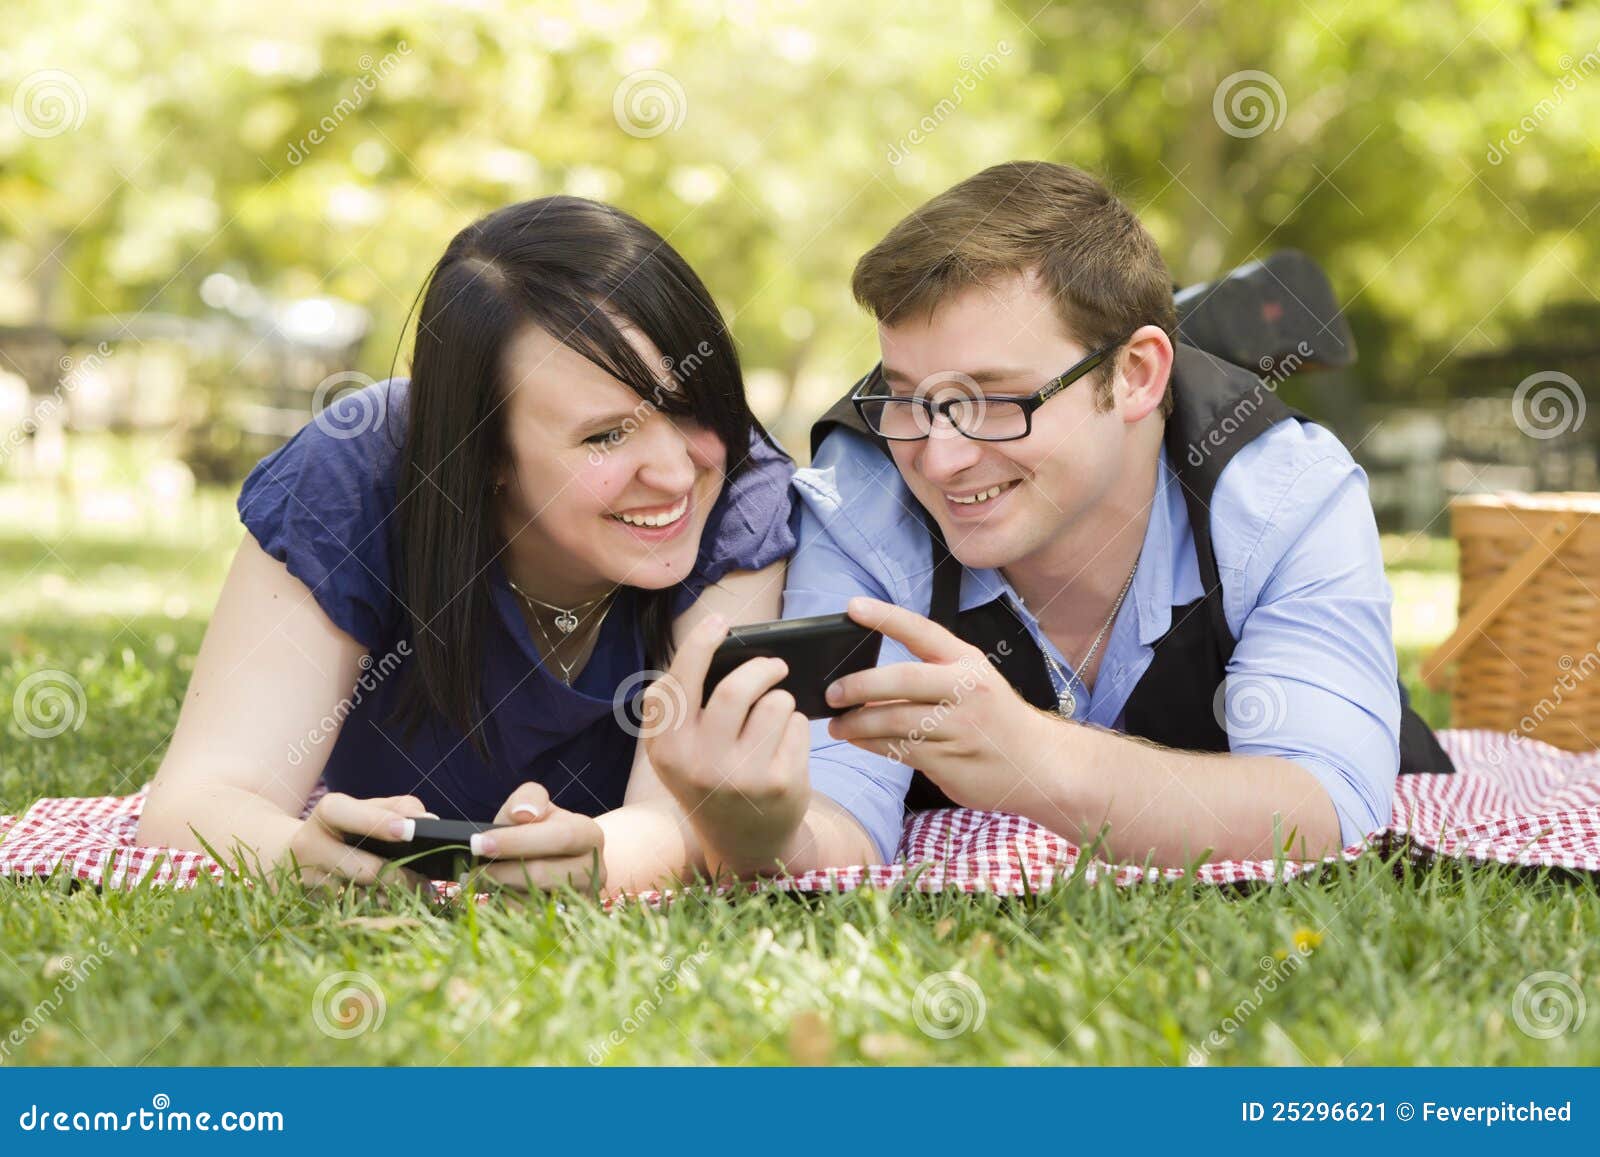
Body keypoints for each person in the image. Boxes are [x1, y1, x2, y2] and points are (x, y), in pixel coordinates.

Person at [138, 196, 878, 892]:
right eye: (607, 434)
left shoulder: (738, 484)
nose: (676, 470)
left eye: (688, 408)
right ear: (481, 450)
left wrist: (598, 863)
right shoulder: (352, 470)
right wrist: (296, 854)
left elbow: (685, 816)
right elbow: (199, 798)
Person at [785, 160, 1446, 868]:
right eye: (910, 398)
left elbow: (1330, 812)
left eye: (997, 398)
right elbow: (831, 815)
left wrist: (1038, 756)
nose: (940, 459)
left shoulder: (1284, 492)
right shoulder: (859, 499)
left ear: (1135, 374)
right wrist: (754, 829)